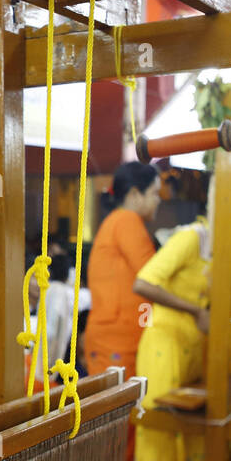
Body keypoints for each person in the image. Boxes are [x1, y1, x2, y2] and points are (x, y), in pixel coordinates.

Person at [132, 210, 213, 461]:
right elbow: (143, 283)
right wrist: (194, 310)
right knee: (160, 433)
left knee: (190, 432)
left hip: (192, 348)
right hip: (164, 348)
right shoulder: (192, 238)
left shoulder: (222, 247)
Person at [84, 161, 161, 378]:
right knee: (118, 408)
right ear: (135, 194)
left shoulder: (118, 220)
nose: (159, 200)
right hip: (116, 338)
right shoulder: (126, 219)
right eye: (155, 193)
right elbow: (153, 275)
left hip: (119, 335)